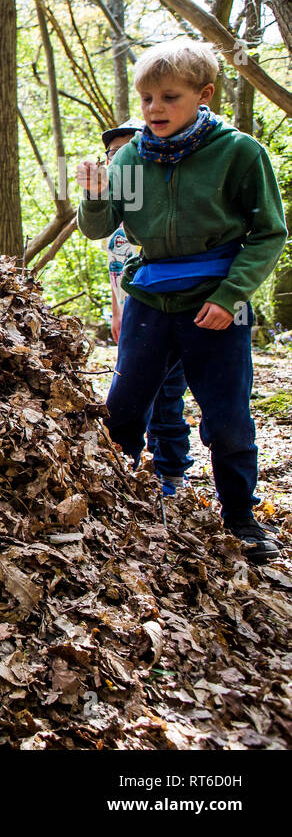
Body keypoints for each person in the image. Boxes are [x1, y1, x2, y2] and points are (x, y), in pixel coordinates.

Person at [76, 40, 286, 563]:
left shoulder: (239, 153)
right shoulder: (129, 157)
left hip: (217, 299)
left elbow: (268, 234)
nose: (154, 109)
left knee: (227, 417)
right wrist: (95, 191)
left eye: (169, 97)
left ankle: (241, 516)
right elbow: (98, 229)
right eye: (147, 98)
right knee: (121, 409)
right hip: (151, 295)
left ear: (204, 94)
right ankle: (112, 511)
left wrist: (232, 294)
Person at [99, 120, 193, 496]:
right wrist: (117, 311)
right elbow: (116, 269)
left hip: (171, 312)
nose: (116, 159)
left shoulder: (157, 208)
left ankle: (170, 472)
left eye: (124, 151)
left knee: (168, 394)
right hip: (134, 316)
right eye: (111, 153)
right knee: (131, 397)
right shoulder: (117, 216)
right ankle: (126, 468)